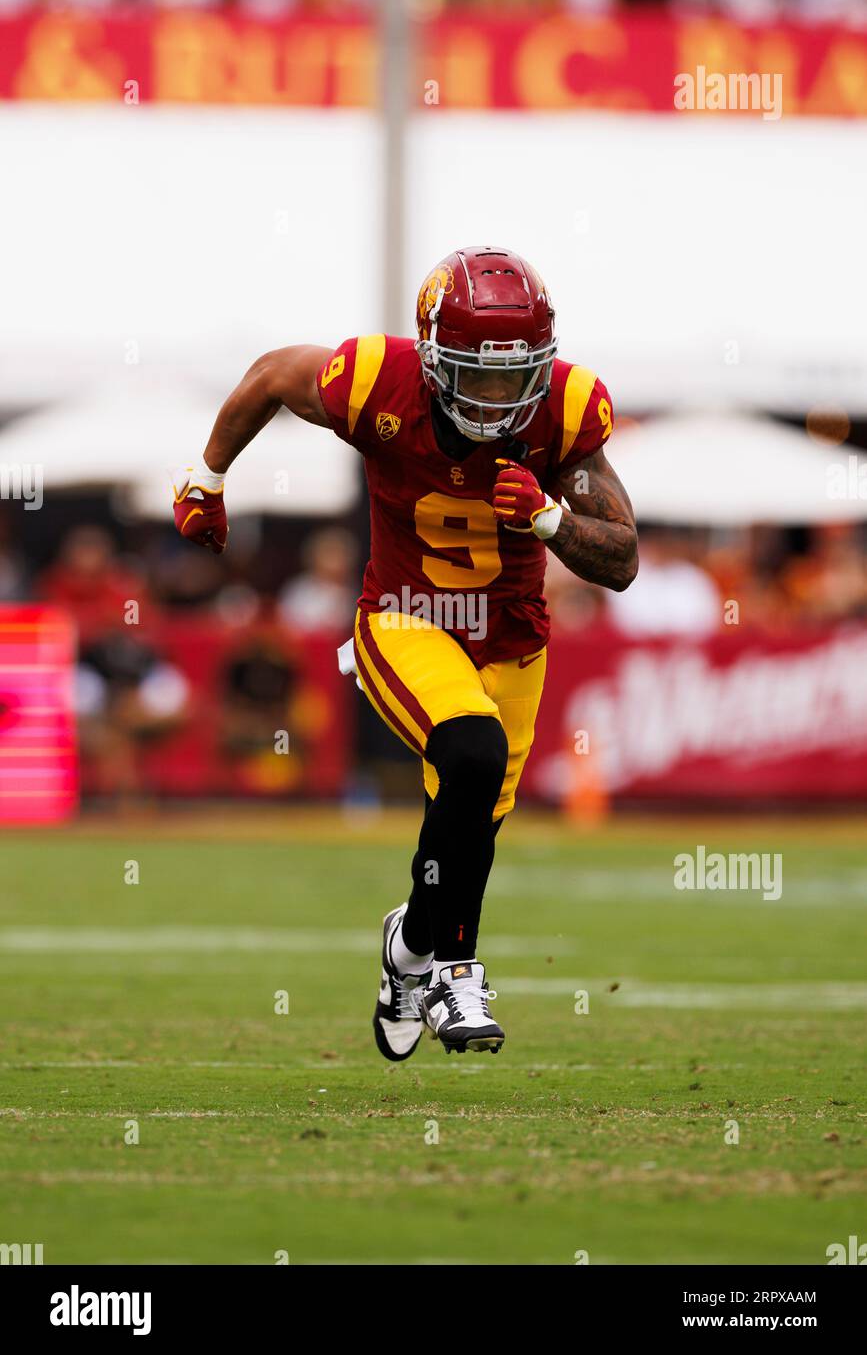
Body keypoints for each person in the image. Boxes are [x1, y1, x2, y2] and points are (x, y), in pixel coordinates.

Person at [173, 245, 638, 1058]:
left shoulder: (566, 409)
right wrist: (206, 479)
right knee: (472, 752)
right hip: (404, 615)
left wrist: (550, 521)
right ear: (429, 358)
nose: (496, 397)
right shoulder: (372, 383)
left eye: (512, 374)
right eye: (476, 373)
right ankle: (458, 977)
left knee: (472, 826)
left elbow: (623, 560)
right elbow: (276, 374)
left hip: (510, 636)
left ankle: (411, 951)